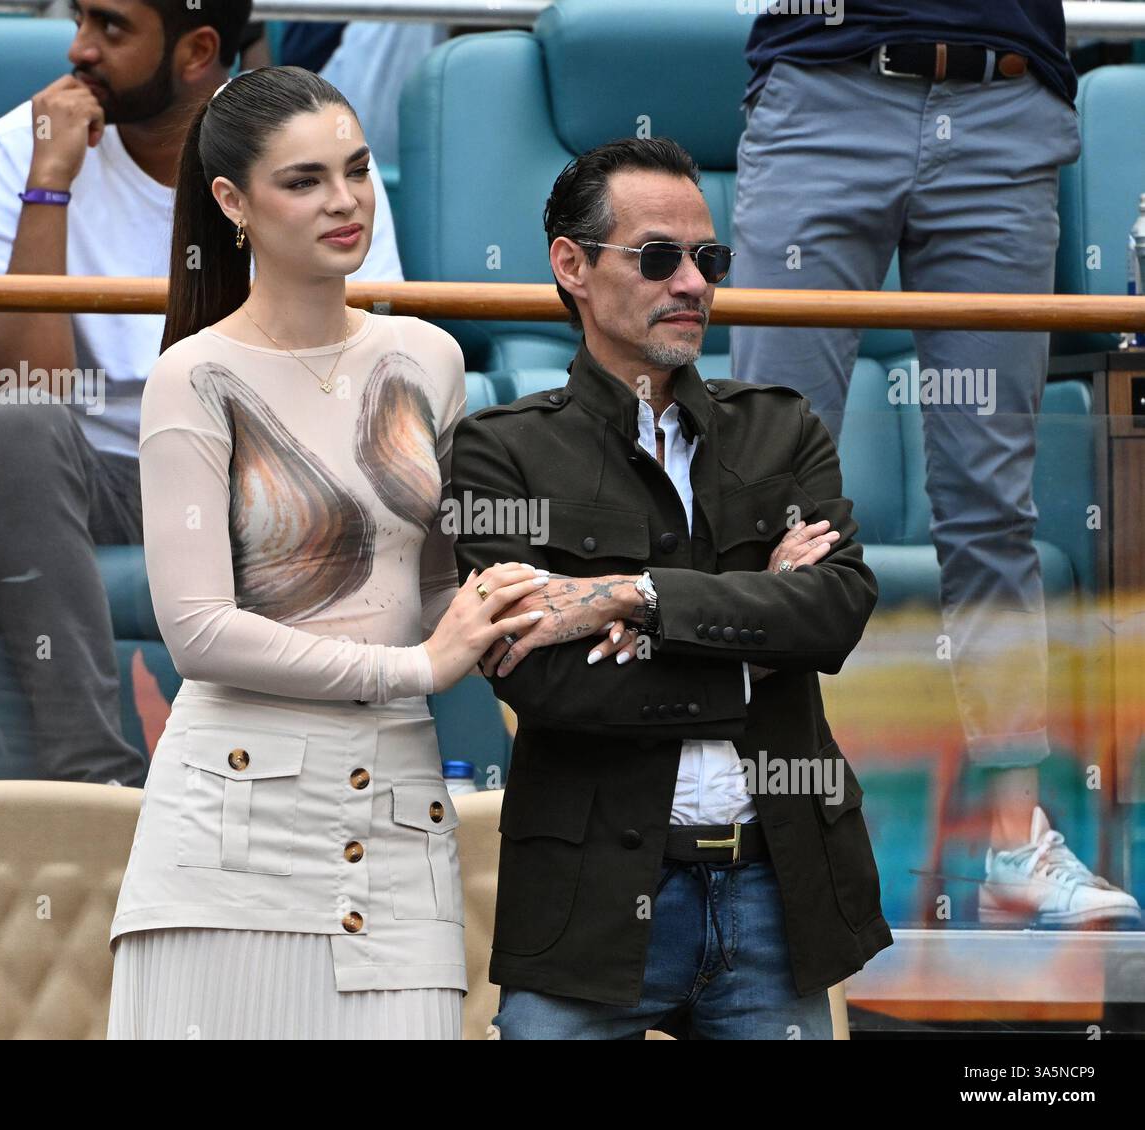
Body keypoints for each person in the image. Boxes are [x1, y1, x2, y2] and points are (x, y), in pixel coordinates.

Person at [105, 65, 551, 1040]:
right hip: (228, 824)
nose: (344, 201)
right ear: (232, 201)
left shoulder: (431, 357)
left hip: (396, 810)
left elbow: (434, 588)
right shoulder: (194, 375)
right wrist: (420, 665)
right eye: (303, 180)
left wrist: (549, 608)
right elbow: (197, 631)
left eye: (355, 170)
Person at [450, 137, 890, 1040]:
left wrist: (633, 599)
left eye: (709, 258)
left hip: (778, 889)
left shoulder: (780, 429)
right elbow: (540, 677)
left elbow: (836, 614)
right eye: (659, 257)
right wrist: (749, 637)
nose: (692, 282)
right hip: (588, 903)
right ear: (571, 265)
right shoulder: (500, 451)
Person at [730, 1, 1140, 925]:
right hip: (826, 89)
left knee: (993, 501)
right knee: (764, 481)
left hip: (1005, 102)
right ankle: (746, 817)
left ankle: (1013, 845)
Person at [0, 0, 403, 786]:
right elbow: (30, 378)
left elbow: (362, 358)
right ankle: (91, 781)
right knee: (19, 422)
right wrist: (49, 182)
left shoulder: (312, 161)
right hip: (84, 476)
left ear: (197, 49)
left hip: (248, 466)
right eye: (81, 17)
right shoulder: (8, 150)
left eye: (111, 28)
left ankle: (311, 781)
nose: (78, 48)